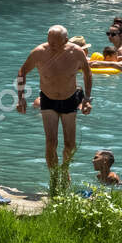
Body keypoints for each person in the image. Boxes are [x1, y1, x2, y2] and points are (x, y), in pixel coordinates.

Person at [16, 25, 95, 178]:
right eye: (49, 42)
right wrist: (21, 98)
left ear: (66, 41)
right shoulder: (39, 52)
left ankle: (65, 171)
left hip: (70, 99)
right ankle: (54, 177)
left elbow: (87, 72)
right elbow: (22, 71)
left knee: (70, 145)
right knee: (51, 142)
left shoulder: (76, 52)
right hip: (48, 99)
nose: (51, 46)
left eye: (56, 43)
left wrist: (87, 99)